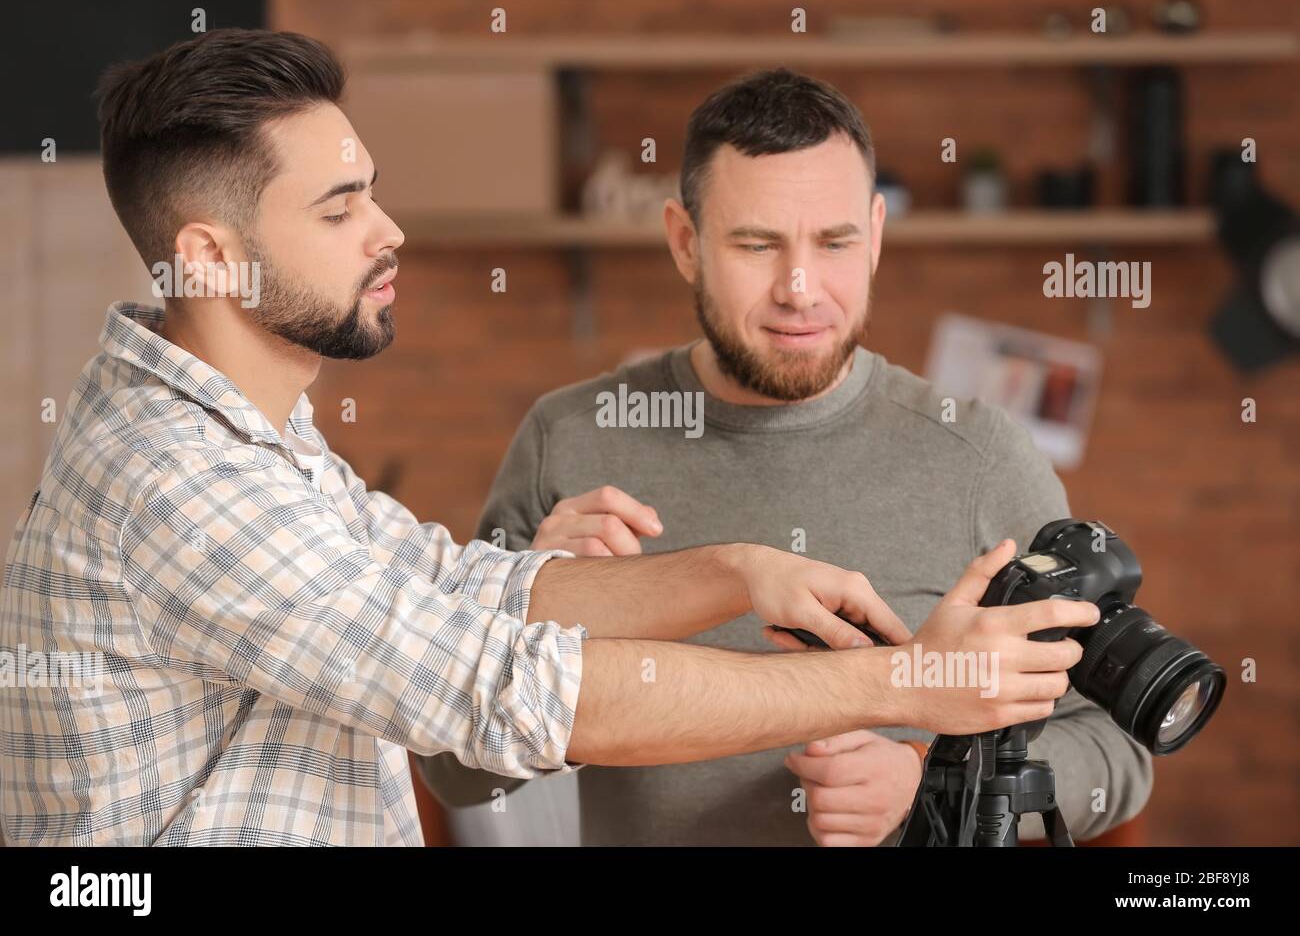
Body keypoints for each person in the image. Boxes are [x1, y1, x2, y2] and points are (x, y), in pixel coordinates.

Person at [0, 35, 1094, 847]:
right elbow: (511, 689)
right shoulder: (183, 483)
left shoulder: (258, 439)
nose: (388, 231)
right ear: (210, 258)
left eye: (371, 192)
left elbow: (460, 588)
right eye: (337, 211)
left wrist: (738, 570)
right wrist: (904, 683)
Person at [418, 69, 1152, 847]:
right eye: (757, 244)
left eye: (833, 243)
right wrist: (538, 605)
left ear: (875, 234)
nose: (799, 289)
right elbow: (455, 773)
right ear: (685, 242)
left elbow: (1122, 749)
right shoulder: (567, 439)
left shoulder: (982, 456)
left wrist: (928, 782)